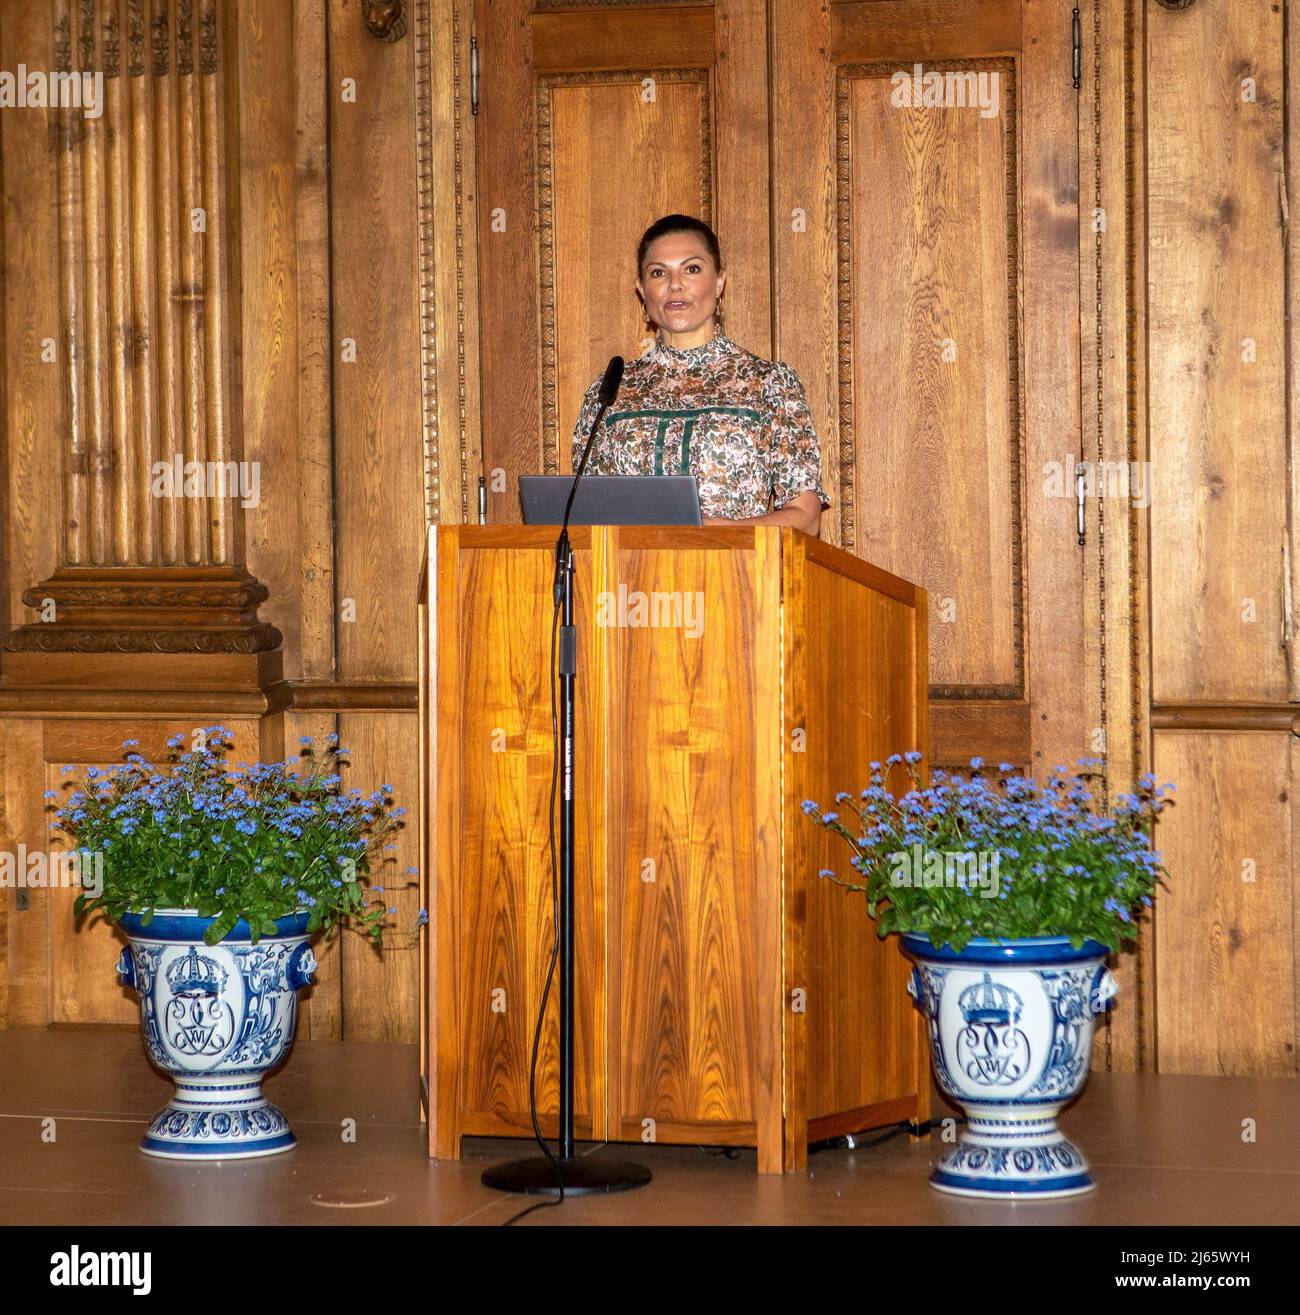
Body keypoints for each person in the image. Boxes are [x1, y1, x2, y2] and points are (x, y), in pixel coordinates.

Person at [571, 214, 829, 534]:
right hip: (630, 581)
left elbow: (805, 518)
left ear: (719, 282)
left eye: (691, 269)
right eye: (658, 273)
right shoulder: (610, 390)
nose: (675, 284)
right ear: (642, 290)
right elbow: (582, 517)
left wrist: (715, 533)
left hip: (739, 575)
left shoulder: (768, 383)